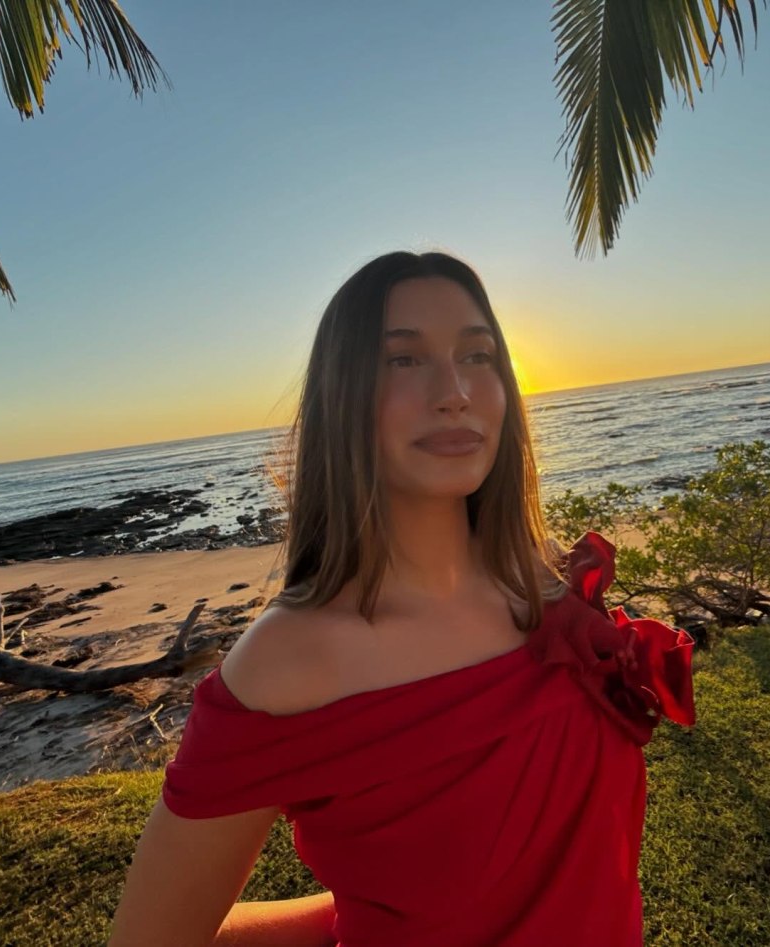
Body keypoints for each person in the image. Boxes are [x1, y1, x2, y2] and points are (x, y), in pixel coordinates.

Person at [109, 251, 696, 946]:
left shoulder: (541, 584)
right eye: (403, 361)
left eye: (477, 355)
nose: (454, 391)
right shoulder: (291, 659)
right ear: (343, 395)